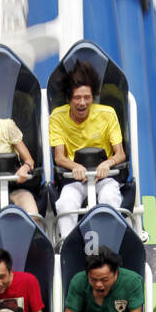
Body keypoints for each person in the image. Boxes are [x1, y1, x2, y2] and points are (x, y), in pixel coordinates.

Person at [49, 63, 125, 239]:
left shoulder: (107, 114)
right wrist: (75, 166)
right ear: (69, 99)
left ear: (93, 97)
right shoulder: (57, 117)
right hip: (75, 178)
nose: (82, 103)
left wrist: (108, 163)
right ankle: (68, 247)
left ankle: (109, 247)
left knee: (109, 198)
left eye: (87, 97)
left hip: (105, 176)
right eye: (77, 98)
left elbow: (120, 154)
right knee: (65, 203)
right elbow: (59, 157)